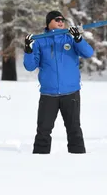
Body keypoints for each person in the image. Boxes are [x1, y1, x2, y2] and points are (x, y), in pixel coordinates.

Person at [23, 10, 94, 154]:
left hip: (71, 92)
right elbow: (30, 66)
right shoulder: (40, 41)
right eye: (57, 19)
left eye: (62, 20)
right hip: (49, 94)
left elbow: (88, 53)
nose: (61, 22)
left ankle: (78, 158)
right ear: (48, 23)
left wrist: (79, 39)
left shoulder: (70, 39)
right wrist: (28, 50)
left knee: (74, 128)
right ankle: (39, 159)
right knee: (43, 130)